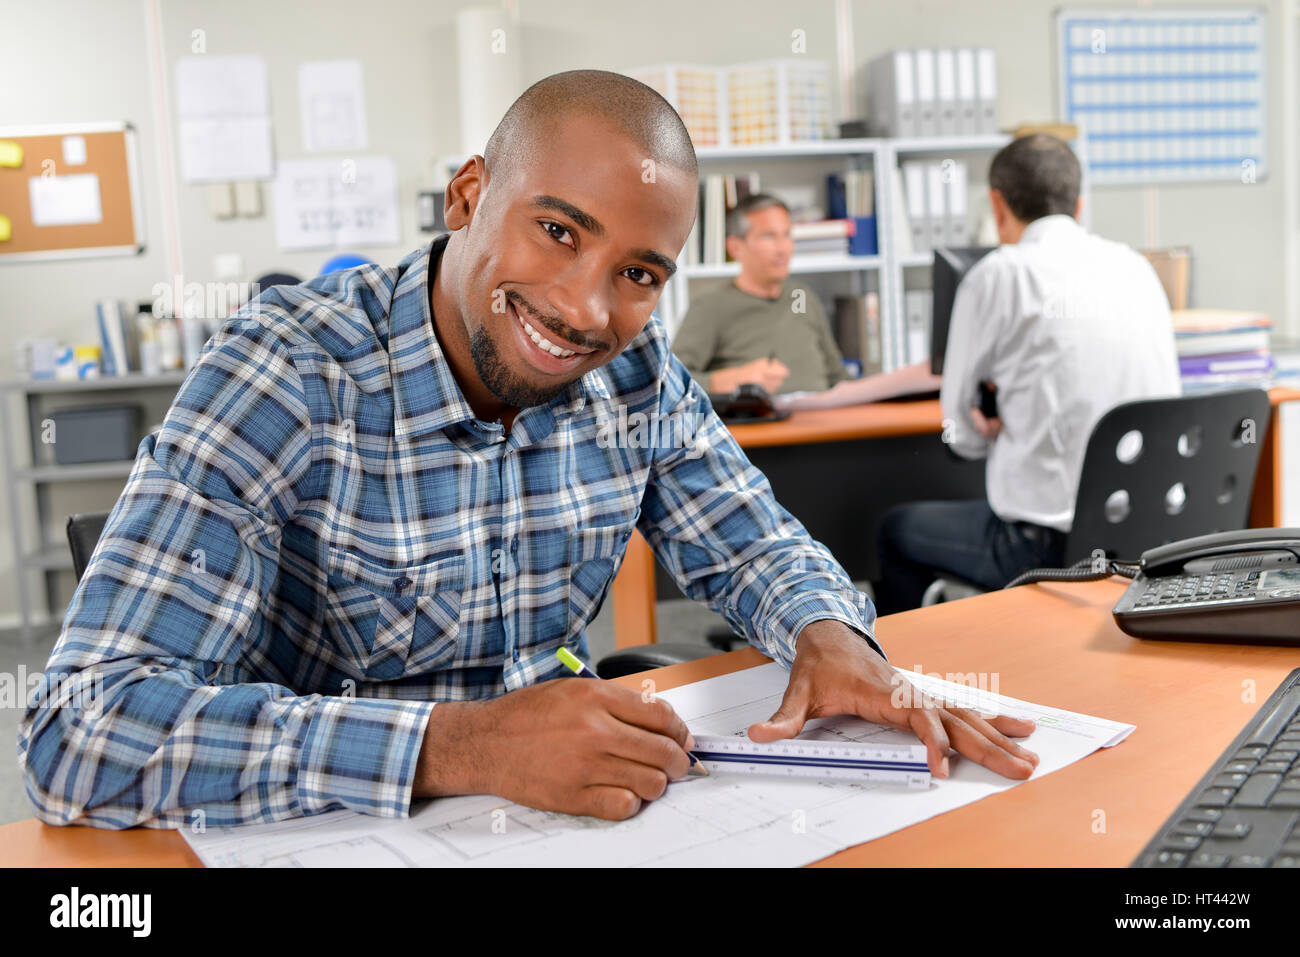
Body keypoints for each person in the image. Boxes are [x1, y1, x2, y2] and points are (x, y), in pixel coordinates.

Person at [20, 71, 1038, 830]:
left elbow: (749, 541)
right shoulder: (288, 374)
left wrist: (829, 637)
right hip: (332, 828)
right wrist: (458, 747)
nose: (588, 308)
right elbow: (78, 733)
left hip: (563, 828)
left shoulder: (634, 378)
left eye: (638, 272)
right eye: (557, 231)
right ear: (467, 197)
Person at [874, 133, 1180, 614]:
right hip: (1153, 537)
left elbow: (960, 438)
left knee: (895, 530)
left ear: (997, 205)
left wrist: (988, 429)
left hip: (1049, 549)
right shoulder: (1136, 267)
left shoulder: (999, 274)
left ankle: (901, 681)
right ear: (1078, 203)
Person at [671, 194, 848, 395]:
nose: (783, 249)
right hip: (759, 423)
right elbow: (671, 382)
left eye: (787, 235)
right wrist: (734, 379)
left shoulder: (802, 296)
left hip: (827, 421)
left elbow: (839, 377)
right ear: (735, 247)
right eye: (768, 236)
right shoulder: (710, 306)